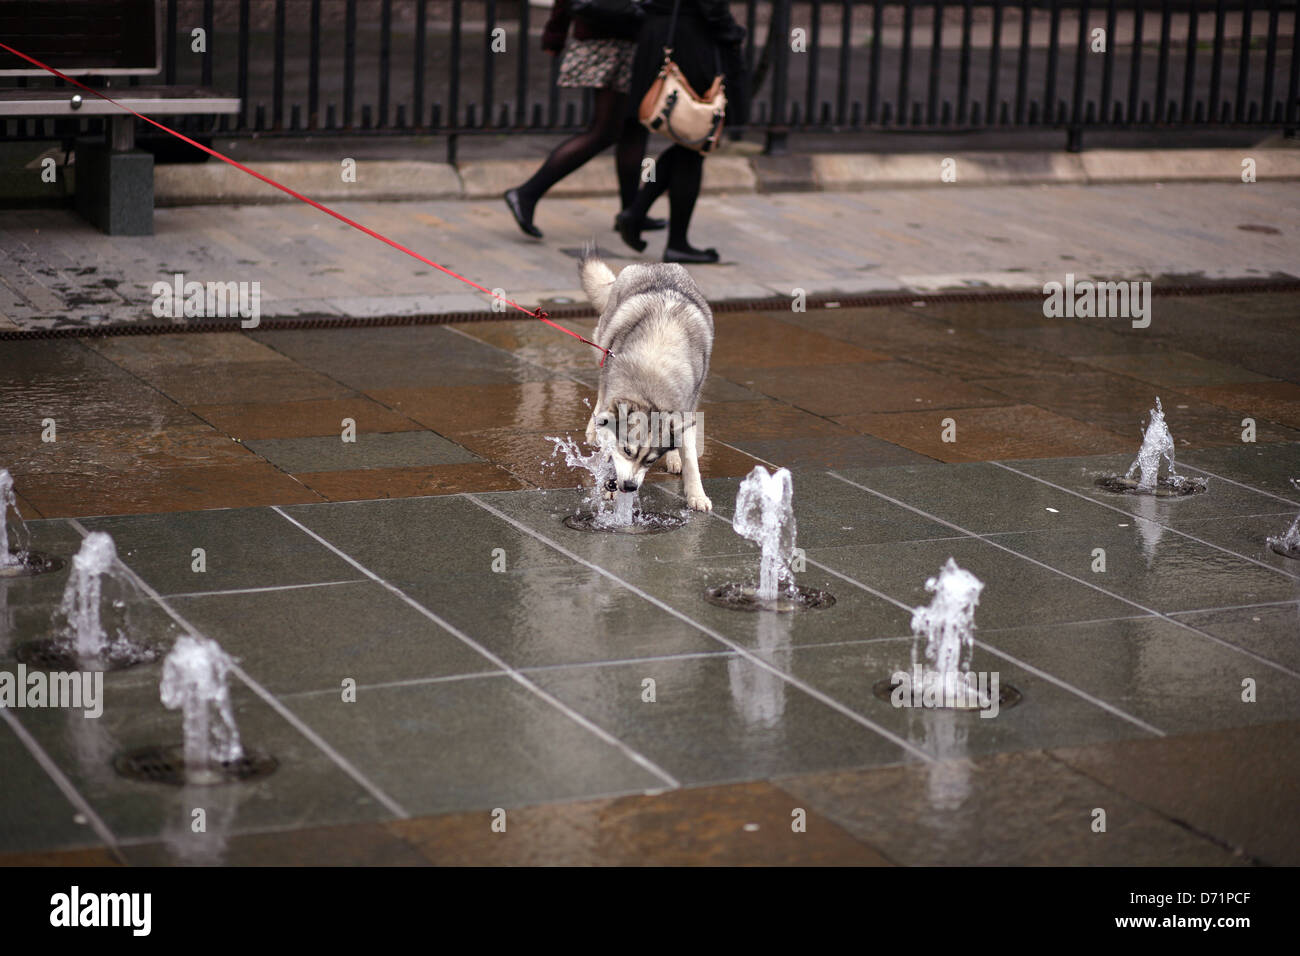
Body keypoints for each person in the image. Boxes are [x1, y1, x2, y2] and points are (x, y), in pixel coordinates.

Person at [503, 0, 666, 239]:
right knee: (605, 131)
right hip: (610, 38)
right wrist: (555, 32)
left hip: (633, 38)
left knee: (634, 127)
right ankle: (527, 193)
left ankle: (631, 213)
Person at [614, 0, 747, 264]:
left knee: (692, 141)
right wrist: (732, 33)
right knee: (696, 140)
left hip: (664, 35)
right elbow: (712, 8)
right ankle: (675, 241)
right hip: (688, 41)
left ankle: (637, 214)